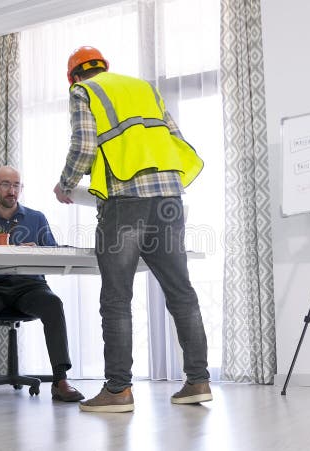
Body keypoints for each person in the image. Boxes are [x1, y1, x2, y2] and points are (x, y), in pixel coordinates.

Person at [53, 46, 212, 413]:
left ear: (74, 76)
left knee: (116, 298)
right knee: (181, 292)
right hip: (169, 197)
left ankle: (118, 390)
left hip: (125, 201)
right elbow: (174, 136)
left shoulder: (84, 92)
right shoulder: (144, 88)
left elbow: (84, 146)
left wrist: (65, 185)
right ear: (104, 67)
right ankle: (198, 381)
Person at [0, 165, 84, 404]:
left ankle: (60, 380)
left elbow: (54, 257)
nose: (11, 191)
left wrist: (38, 253)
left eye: (16, 185)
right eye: (5, 184)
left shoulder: (36, 218)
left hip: (30, 288)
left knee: (53, 303)